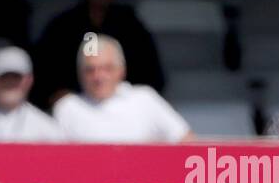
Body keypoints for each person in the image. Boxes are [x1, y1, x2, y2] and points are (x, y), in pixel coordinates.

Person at [31, 0, 165, 109]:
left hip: (122, 112)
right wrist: (60, 98)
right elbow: (43, 79)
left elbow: (152, 77)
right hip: (75, 111)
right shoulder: (62, 27)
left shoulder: (131, 26)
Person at [53, 36, 193, 142]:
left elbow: (186, 140)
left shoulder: (144, 99)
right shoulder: (67, 107)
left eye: (107, 68)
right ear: (79, 73)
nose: (98, 77)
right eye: (90, 70)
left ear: (122, 70)